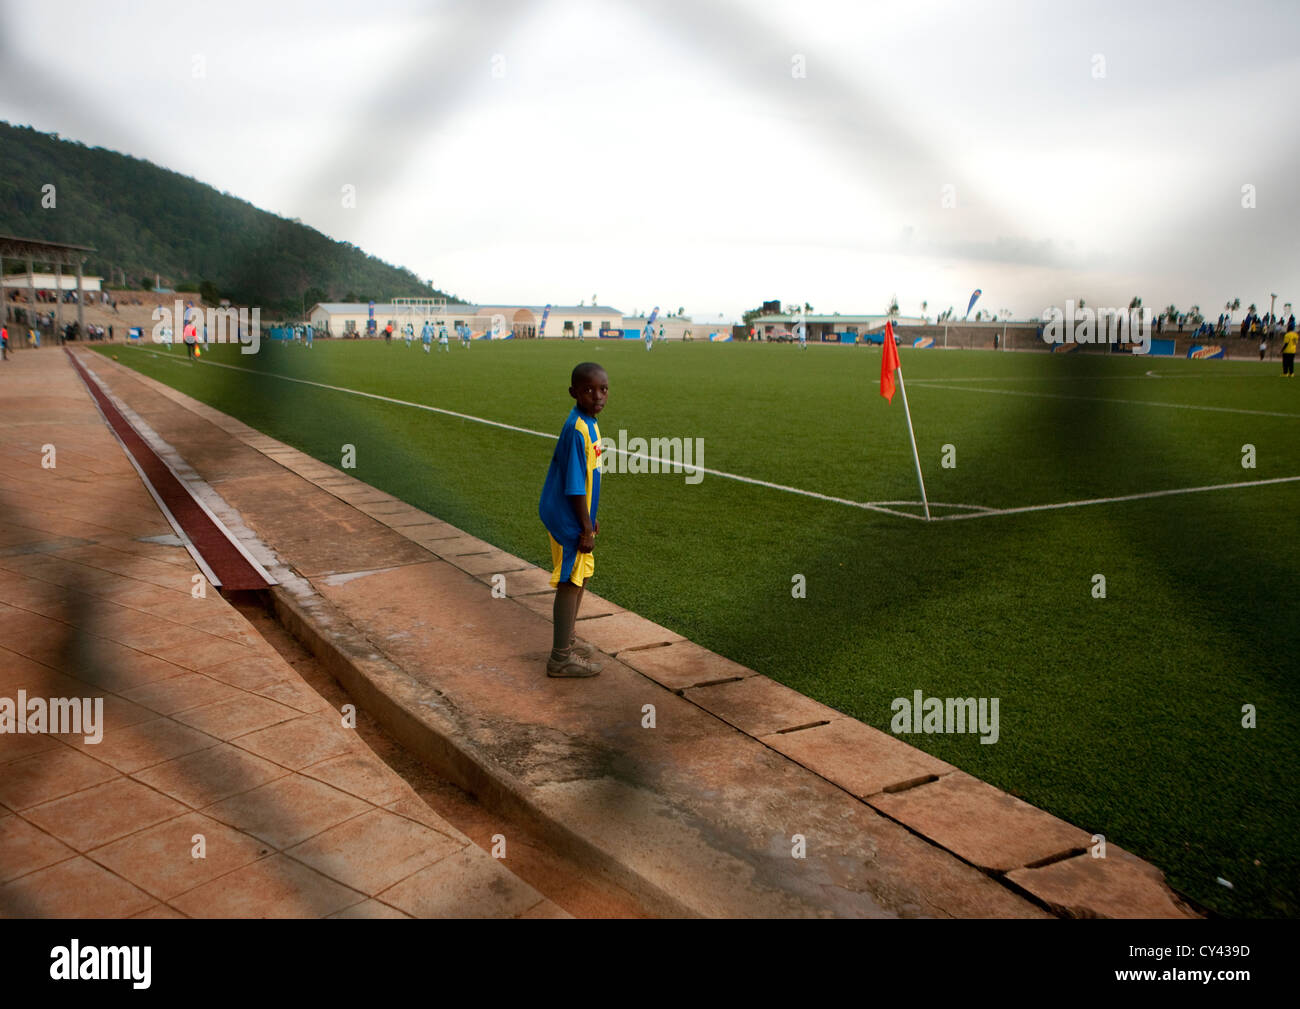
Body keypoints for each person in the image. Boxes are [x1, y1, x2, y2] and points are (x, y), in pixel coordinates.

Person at [538, 362, 608, 677]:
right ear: (574, 393)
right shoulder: (579, 428)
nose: (597, 396)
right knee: (570, 580)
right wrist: (583, 526)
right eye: (588, 390)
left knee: (583, 574)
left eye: (603, 389)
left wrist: (590, 519)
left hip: (576, 515)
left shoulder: (588, 422)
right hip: (566, 515)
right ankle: (560, 658)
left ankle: (567, 640)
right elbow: (575, 485)